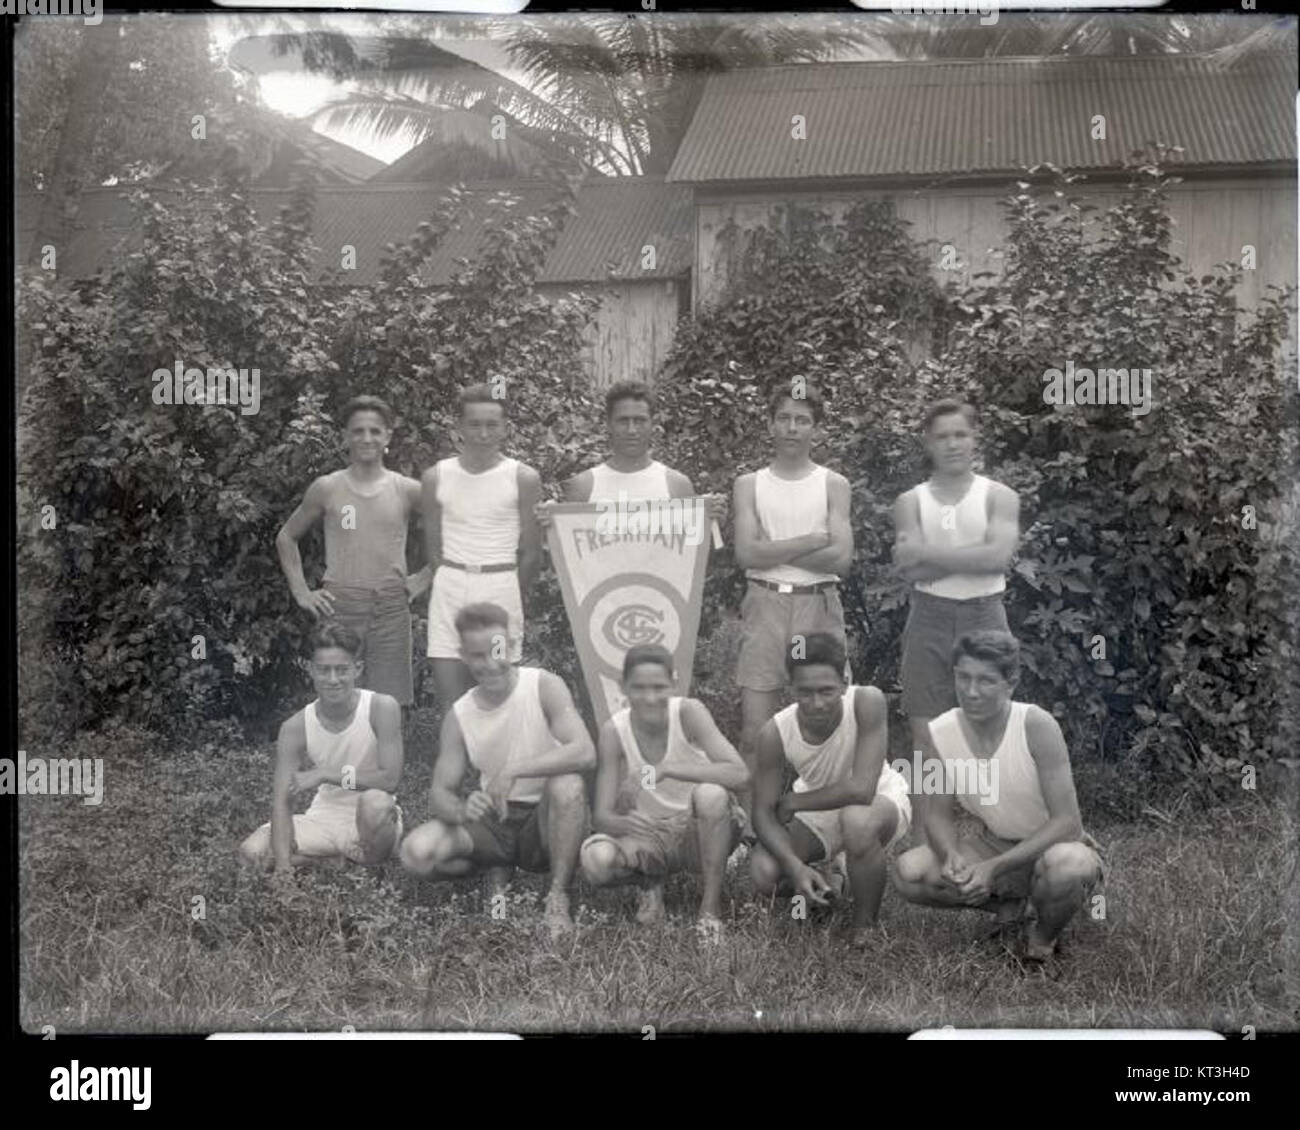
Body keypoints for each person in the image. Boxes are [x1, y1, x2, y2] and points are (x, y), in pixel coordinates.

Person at [893, 630, 1105, 962]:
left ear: (1011, 682)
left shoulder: (1037, 725)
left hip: (1052, 846)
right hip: (995, 843)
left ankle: (1041, 943)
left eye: (985, 681)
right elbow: (938, 814)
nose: (971, 691)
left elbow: (1068, 822)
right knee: (910, 872)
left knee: (1069, 866)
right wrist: (950, 855)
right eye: (963, 677)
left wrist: (994, 867)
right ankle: (1010, 905)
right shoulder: (940, 732)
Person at [398, 602, 594, 938]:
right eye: (477, 655)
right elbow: (439, 793)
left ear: (512, 645)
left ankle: (558, 897)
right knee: (416, 853)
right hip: (496, 819)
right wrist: (461, 809)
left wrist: (514, 770)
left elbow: (585, 751)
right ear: (463, 655)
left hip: (545, 822)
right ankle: (494, 867)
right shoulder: (459, 715)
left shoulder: (543, 685)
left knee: (569, 785)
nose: (489, 664)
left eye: (497, 650)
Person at [893, 399, 1020, 843]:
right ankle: (932, 848)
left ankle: (1004, 839)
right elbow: (910, 570)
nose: (952, 444)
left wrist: (930, 554)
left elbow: (998, 557)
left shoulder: (999, 496)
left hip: (985, 614)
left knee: (994, 733)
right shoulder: (911, 502)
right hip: (928, 617)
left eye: (960, 434)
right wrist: (972, 556)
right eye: (942, 436)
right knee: (928, 741)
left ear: (975, 437)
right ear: (928, 442)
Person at [733, 380, 853, 824]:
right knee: (755, 731)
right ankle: (750, 827)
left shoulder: (833, 484)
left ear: (816, 429)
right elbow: (747, 554)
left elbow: (841, 558)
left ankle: (830, 825)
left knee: (826, 722)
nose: (792, 427)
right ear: (769, 424)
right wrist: (809, 540)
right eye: (783, 417)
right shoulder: (749, 484)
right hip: (765, 606)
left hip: (817, 605)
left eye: (802, 420)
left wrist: (774, 547)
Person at [748, 632, 912, 948]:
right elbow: (762, 813)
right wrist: (795, 867)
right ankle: (828, 881)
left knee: (857, 820)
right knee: (764, 872)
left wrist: (795, 800)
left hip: (879, 799)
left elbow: (862, 789)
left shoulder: (868, 700)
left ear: (845, 681)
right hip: (818, 810)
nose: (817, 703)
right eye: (805, 692)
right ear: (790, 687)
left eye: (827, 691)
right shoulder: (774, 732)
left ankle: (865, 927)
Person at [579, 644, 750, 942]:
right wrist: (623, 823)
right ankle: (649, 883)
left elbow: (739, 774)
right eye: (639, 688)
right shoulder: (613, 731)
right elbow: (602, 816)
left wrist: (669, 767)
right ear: (623, 687)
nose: (649, 698)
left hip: (699, 827)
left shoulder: (689, 712)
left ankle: (709, 912)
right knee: (596, 860)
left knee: (711, 795)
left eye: (659, 687)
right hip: (652, 833)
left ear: (673, 682)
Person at [276, 395, 427, 706]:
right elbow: (286, 537)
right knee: (338, 699)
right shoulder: (328, 487)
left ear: (388, 436)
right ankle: (340, 756)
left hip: (390, 609)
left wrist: (424, 578)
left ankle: (387, 756)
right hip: (339, 607)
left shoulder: (408, 489)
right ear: (345, 436)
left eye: (375, 430)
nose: (366, 438)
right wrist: (302, 592)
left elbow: (451, 529)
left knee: (389, 705)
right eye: (358, 431)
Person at [239, 621, 403, 873]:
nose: (333, 679)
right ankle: (329, 863)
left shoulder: (381, 708)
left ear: (357, 669)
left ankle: (366, 864)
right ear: (310, 670)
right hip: (323, 817)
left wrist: (326, 774)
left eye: (342, 669)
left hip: (370, 821)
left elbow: (389, 781)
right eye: (324, 670)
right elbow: (282, 800)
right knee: (251, 852)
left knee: (376, 804)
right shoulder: (295, 727)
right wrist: (283, 865)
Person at [421, 383, 542, 710]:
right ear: (458, 427)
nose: (483, 434)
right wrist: (453, 578)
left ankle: (501, 762)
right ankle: (455, 760)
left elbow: (532, 554)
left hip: (501, 585)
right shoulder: (435, 477)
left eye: (492, 425)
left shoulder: (523, 477)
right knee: (451, 699)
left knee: (501, 692)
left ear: (506, 428)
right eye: (474, 424)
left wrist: (506, 589)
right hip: (450, 587)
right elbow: (433, 551)